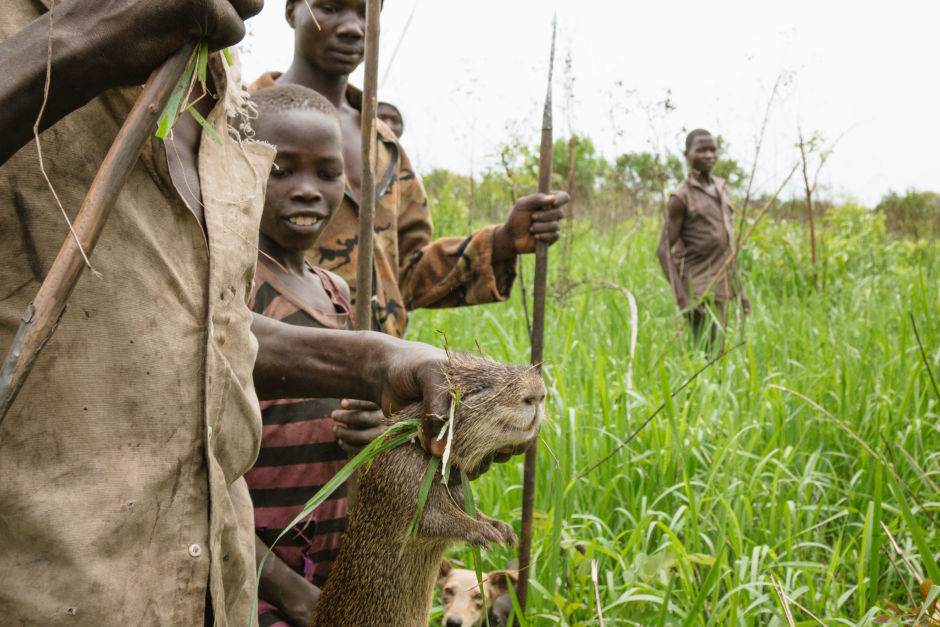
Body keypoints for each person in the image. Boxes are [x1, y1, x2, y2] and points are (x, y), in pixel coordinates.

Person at [0, 3, 453, 625]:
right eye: (284, 169)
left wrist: (378, 360)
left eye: (329, 175)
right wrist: (95, 32)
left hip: (214, 578)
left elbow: (194, 325)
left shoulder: (215, 80)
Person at [252, 0, 569, 455]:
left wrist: (500, 243)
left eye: (367, 13)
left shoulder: (383, 144)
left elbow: (402, 275)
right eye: (330, 7)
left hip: (383, 401)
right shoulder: (240, 119)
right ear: (291, 11)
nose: (352, 27)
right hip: (282, 394)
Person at [241, 84, 354, 626]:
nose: (308, 191)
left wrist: (372, 425)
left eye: (327, 174)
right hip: (259, 580)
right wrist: (287, 591)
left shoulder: (336, 293)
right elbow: (207, 478)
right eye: (281, 170)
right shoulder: (233, 287)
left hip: (334, 568)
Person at [657, 128, 751, 347]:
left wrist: (740, 289)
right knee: (705, 352)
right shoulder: (681, 197)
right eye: (701, 150)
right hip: (698, 289)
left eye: (712, 150)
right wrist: (683, 300)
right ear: (687, 155)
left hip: (723, 284)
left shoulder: (721, 187)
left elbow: (727, 247)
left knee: (718, 351)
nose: (708, 155)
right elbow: (663, 250)